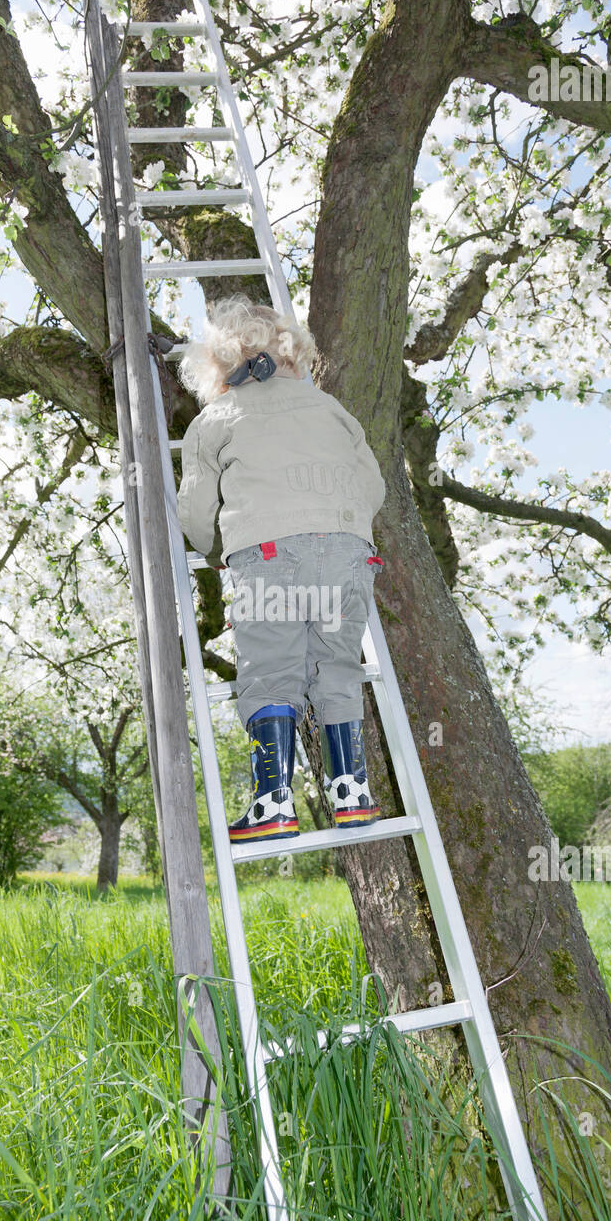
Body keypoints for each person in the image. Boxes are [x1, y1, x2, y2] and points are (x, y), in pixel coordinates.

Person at [176, 294, 386, 843]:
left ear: (218, 369)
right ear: (297, 356)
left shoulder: (213, 419)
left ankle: (272, 802)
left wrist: (216, 546)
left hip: (268, 562)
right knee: (337, 667)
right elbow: (373, 487)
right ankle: (352, 792)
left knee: (270, 671)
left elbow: (196, 514)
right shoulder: (331, 408)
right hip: (348, 556)